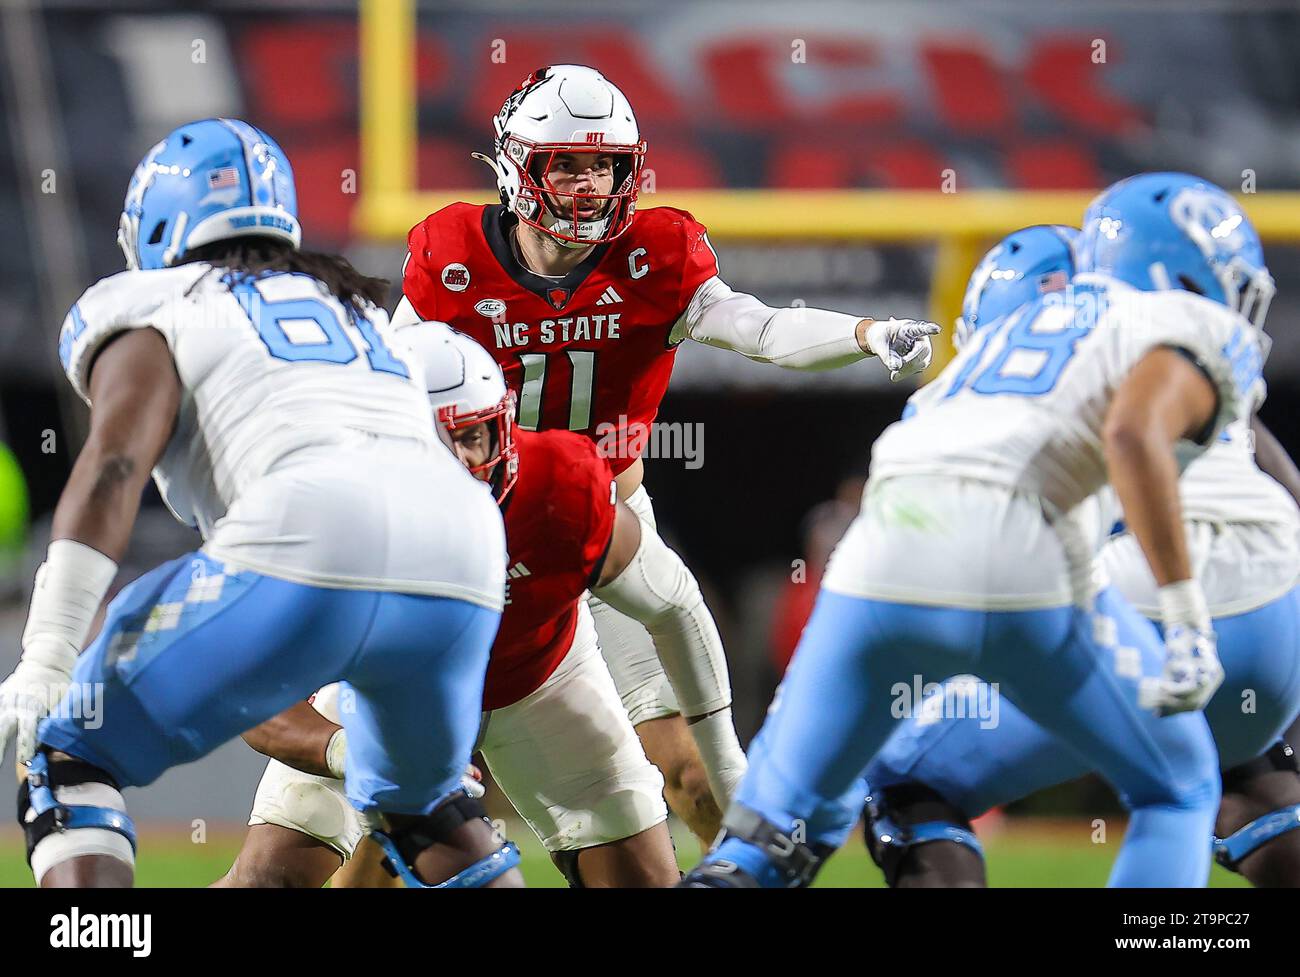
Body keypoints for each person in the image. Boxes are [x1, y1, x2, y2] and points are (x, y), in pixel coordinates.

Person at [393, 64, 940, 842]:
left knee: (689, 774)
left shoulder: (656, 253)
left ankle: (741, 844)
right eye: (569, 163)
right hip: (475, 539)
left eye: (605, 164)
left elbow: (757, 327)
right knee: (395, 808)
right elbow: (386, 388)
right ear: (521, 165)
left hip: (606, 528)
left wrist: (863, 334)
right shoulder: (451, 257)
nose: (590, 184)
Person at [682, 172, 1271, 887]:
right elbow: (1134, 434)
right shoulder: (1183, 323)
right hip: (1022, 559)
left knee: (766, 836)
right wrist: (1182, 617)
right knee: (1177, 785)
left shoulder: (1004, 337)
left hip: (875, 557)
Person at [0, 119, 520, 889]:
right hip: (467, 550)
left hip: (312, 532)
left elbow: (113, 464)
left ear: (158, 223)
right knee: (428, 811)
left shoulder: (153, 299)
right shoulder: (359, 309)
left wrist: (47, 650)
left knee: (66, 753)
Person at [863, 225, 1300, 888]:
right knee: (1248, 773)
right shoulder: (1185, 354)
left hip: (1116, 616)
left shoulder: (979, 394)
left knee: (902, 779)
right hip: (1267, 620)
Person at [220, 324, 732, 887]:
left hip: (541, 681)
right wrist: (349, 751)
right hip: (386, 695)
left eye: (473, 436)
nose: (462, 462)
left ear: (503, 427)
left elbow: (675, 606)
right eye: (432, 442)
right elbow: (253, 694)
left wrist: (722, 754)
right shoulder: (327, 518)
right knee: (267, 879)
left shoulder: (559, 485)